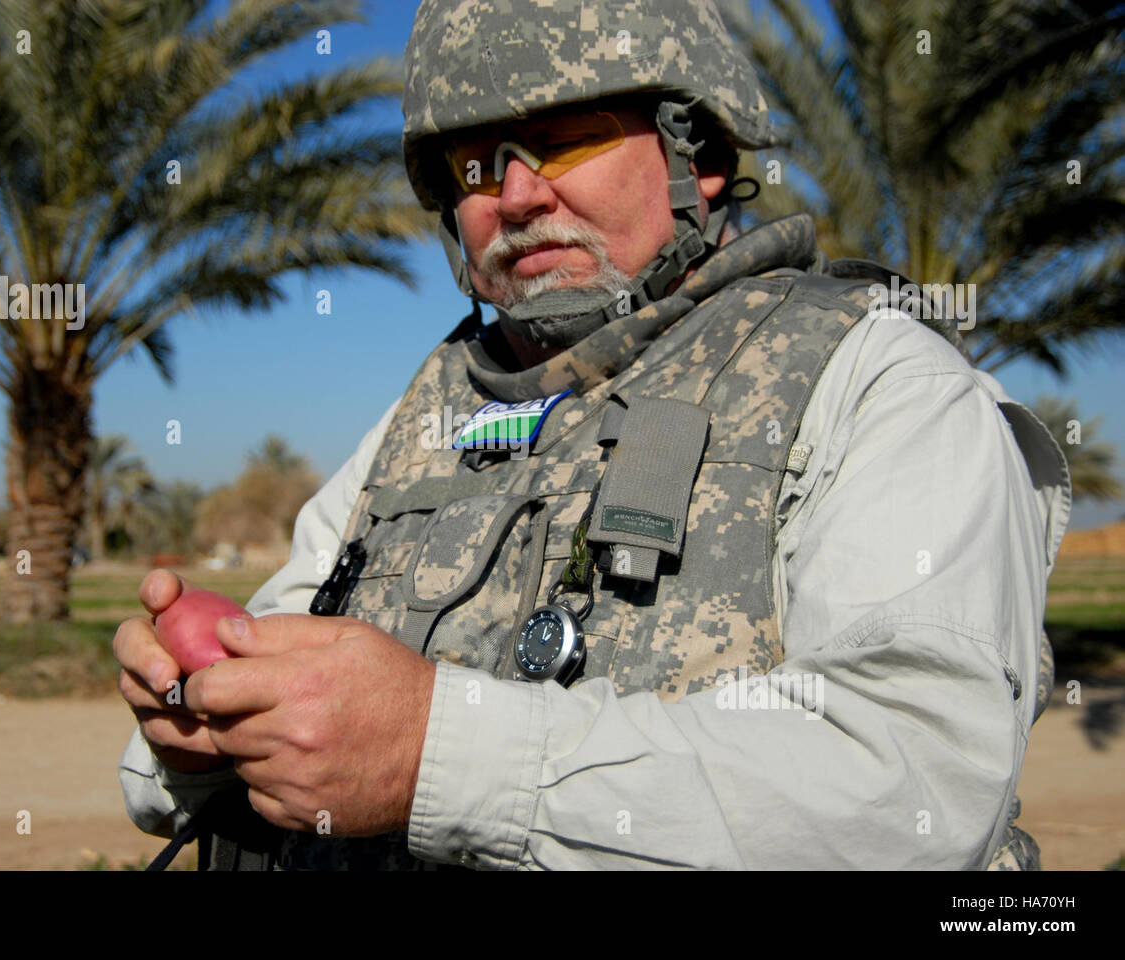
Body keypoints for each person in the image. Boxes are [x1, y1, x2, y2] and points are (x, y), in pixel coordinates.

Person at [116, 0, 1070, 870]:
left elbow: (917, 788)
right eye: (478, 164)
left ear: (691, 156)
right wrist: (199, 723)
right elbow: (258, 702)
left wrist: (433, 753)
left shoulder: (877, 378)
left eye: (566, 140)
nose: (518, 196)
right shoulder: (426, 417)